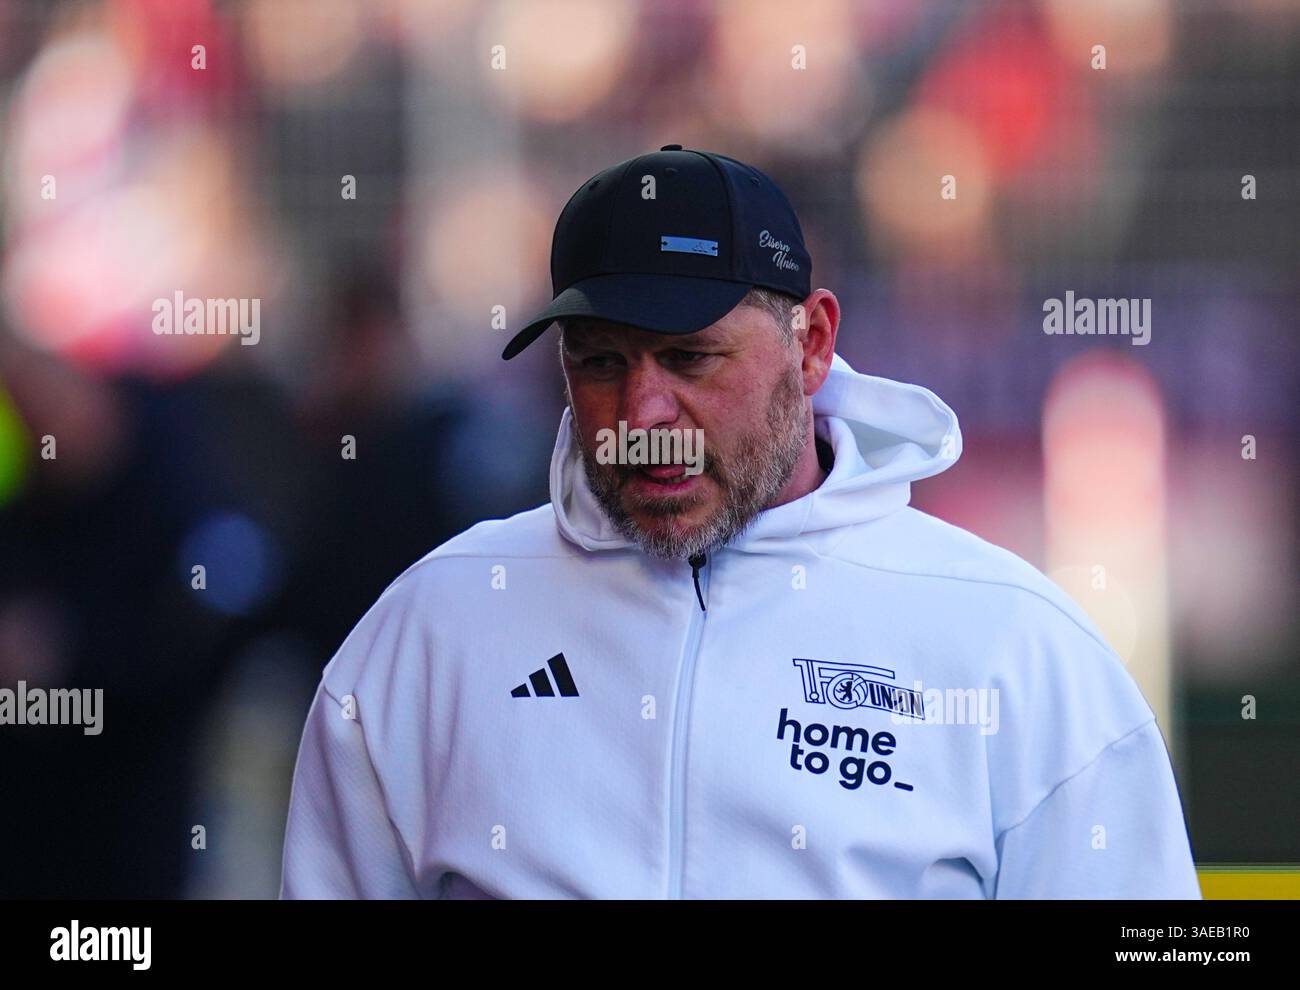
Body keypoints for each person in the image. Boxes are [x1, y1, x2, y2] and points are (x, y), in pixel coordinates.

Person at [279, 145, 1201, 899]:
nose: (642, 415)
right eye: (600, 362)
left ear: (812, 344)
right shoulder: (433, 625)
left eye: (690, 358)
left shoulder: (1013, 644)